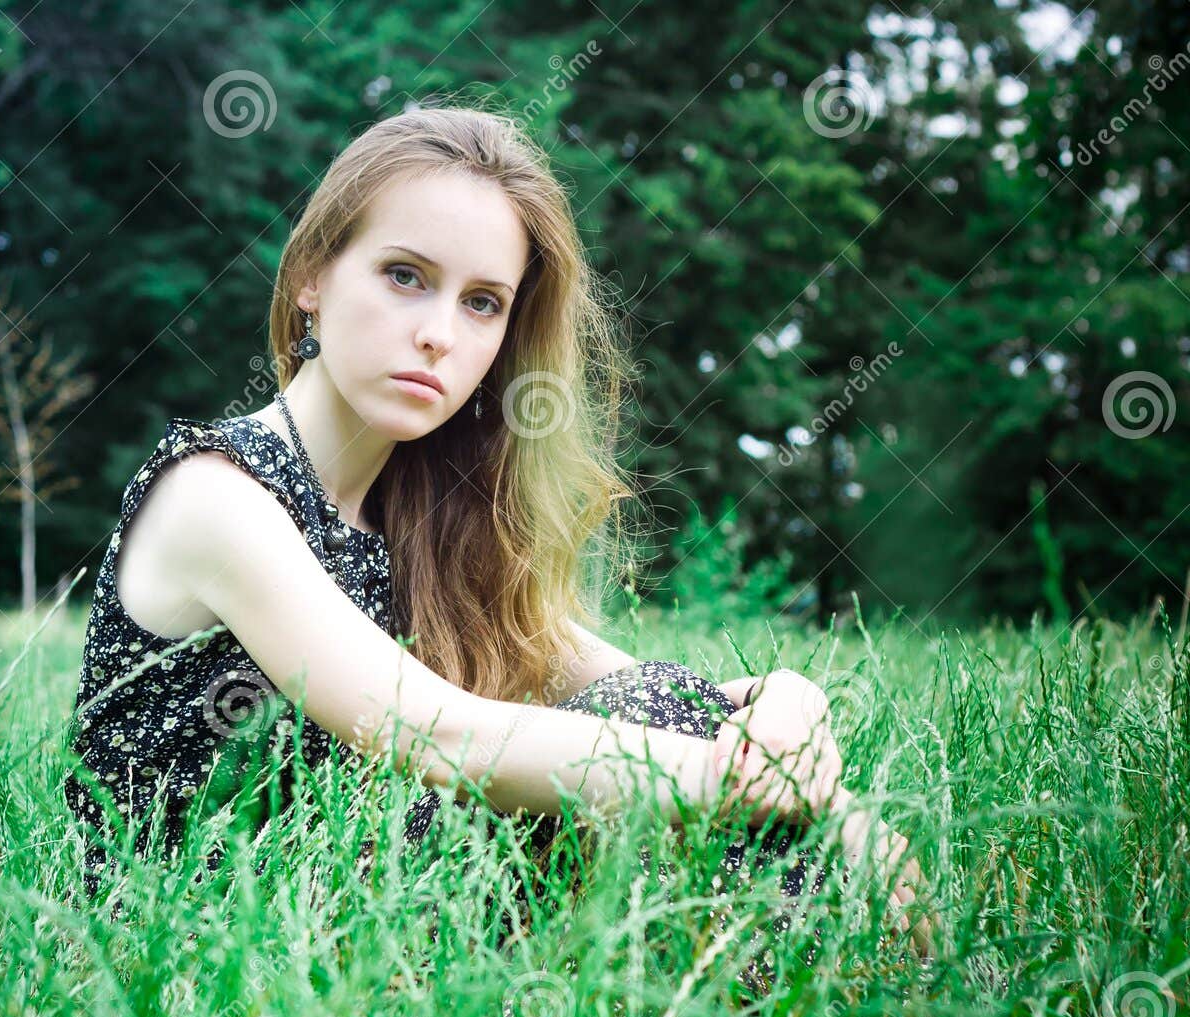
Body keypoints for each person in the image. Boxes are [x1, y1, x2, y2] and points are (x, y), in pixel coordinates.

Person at [64, 103, 930, 969]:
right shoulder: (216, 493)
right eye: (405, 275)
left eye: (483, 303)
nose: (440, 332)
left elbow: (641, 686)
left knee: (655, 705)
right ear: (312, 279)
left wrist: (787, 709)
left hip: (354, 914)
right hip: (196, 945)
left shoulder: (421, 514)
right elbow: (446, 736)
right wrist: (749, 786)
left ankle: (815, 1010)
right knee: (655, 744)